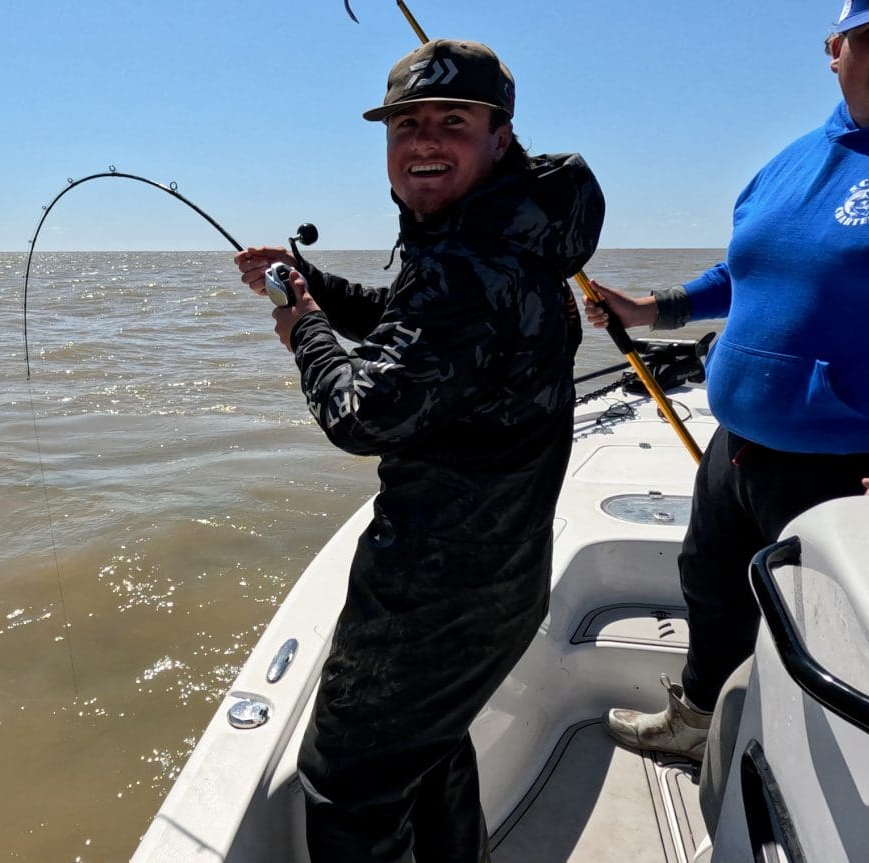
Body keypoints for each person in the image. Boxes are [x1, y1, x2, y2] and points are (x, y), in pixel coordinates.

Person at [590, 0, 869, 761]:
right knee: (711, 587)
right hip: (742, 447)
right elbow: (750, 268)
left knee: (833, 650)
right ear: (835, 50)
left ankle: (804, 784)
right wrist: (654, 308)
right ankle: (700, 717)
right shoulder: (797, 158)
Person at [234, 39, 605, 862]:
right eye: (406, 124)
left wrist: (305, 329)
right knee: (427, 747)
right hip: (501, 578)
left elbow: (361, 414)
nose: (423, 141)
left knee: (347, 784)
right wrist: (312, 282)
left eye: (452, 121)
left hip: (434, 593)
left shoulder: (466, 261)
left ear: (500, 138)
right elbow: (417, 322)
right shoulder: (512, 234)